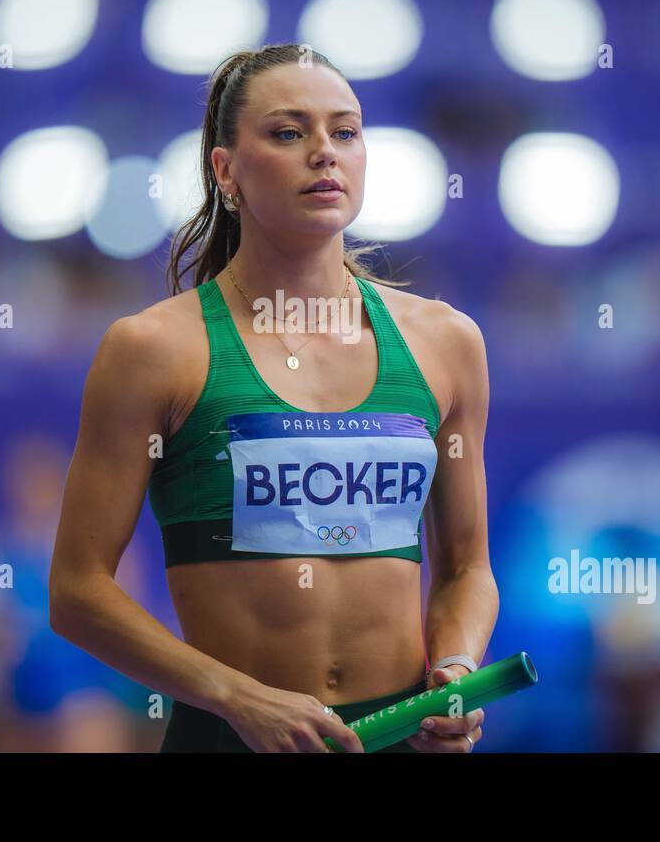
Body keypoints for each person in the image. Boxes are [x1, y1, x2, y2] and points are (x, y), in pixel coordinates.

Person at [49, 43, 496, 752]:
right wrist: (235, 697)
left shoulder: (446, 343)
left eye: (344, 131)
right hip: (231, 738)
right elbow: (76, 592)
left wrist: (456, 669)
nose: (325, 152)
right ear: (226, 170)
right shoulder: (154, 351)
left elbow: (468, 568)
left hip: (401, 741)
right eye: (289, 133)